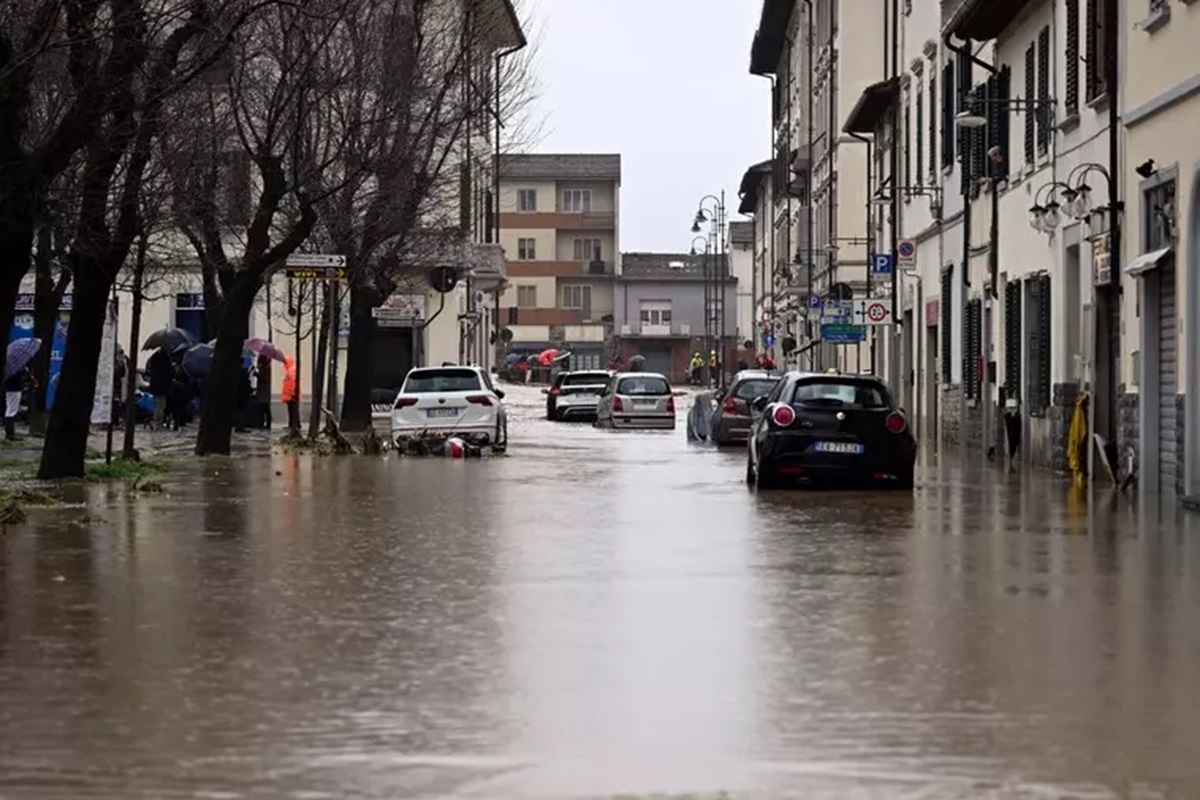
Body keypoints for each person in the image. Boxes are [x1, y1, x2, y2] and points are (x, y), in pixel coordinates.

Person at [147, 347, 173, 429]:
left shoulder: (154, 357)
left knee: (156, 405)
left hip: (155, 386)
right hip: (162, 387)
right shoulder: (166, 359)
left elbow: (150, 369)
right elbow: (169, 374)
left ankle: (156, 421)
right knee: (161, 406)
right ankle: (158, 422)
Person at [4, 366, 31, 441]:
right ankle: (10, 434)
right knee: (12, 410)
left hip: (9, 387)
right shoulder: (15, 367)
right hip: (15, 388)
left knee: (10, 408)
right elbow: (20, 373)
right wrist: (25, 370)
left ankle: (9, 433)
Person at [282, 355, 300, 433]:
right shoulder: (290, 370)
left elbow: (293, 383)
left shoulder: (291, 371)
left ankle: (295, 424)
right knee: (292, 410)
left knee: (293, 410)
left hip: (291, 395)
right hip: (290, 395)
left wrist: (293, 394)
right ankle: (293, 424)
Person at [253, 355, 272, 428]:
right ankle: (265, 423)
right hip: (263, 391)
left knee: (264, 407)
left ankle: (265, 423)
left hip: (264, 391)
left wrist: (257, 375)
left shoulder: (265, 369)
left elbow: (264, 379)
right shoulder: (264, 368)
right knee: (264, 408)